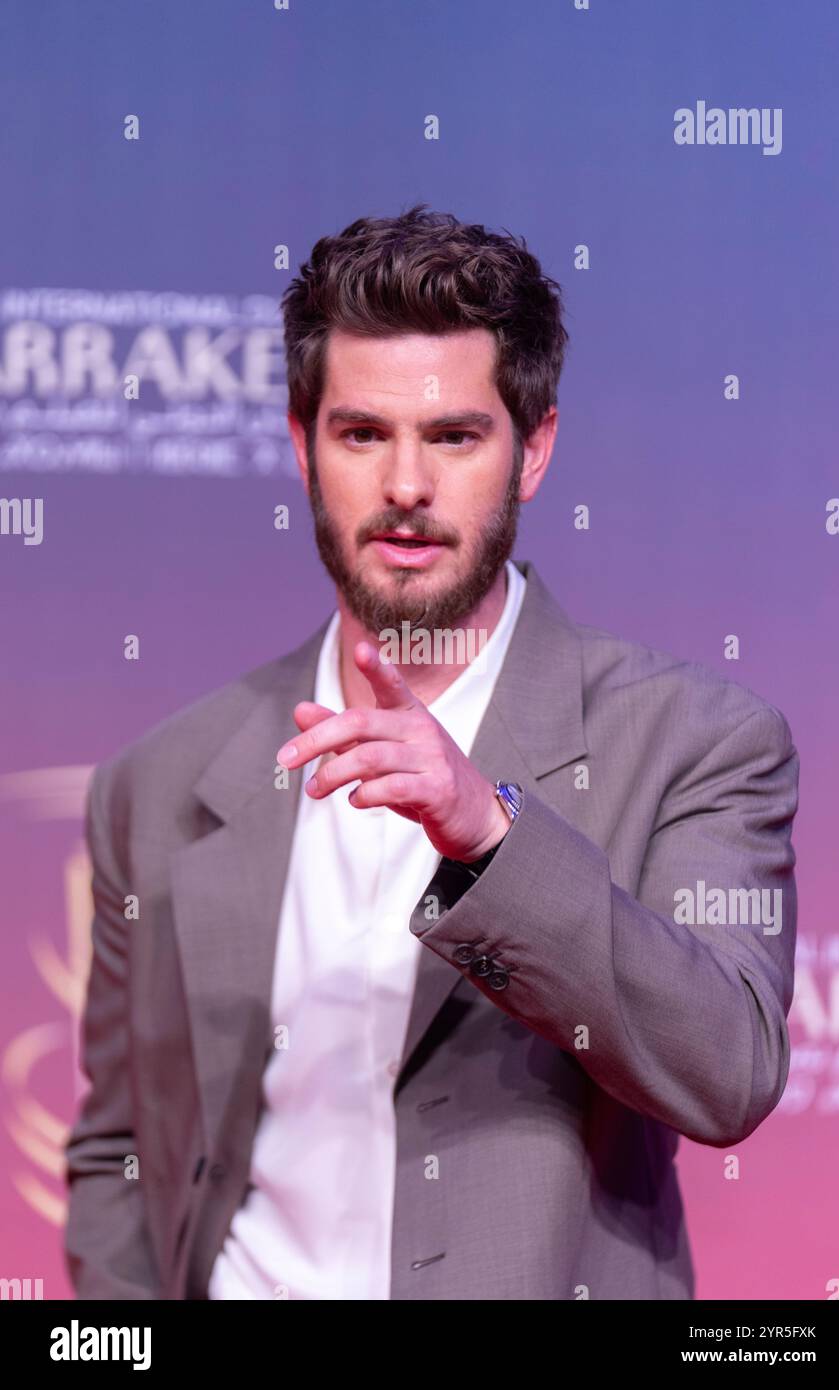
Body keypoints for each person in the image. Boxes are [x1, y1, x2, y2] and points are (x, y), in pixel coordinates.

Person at [64, 205, 799, 1300]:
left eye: (453, 436)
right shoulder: (158, 783)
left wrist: (492, 837)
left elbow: (725, 1069)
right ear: (300, 446)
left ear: (532, 450)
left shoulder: (696, 739)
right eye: (362, 434)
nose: (405, 485)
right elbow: (120, 1155)